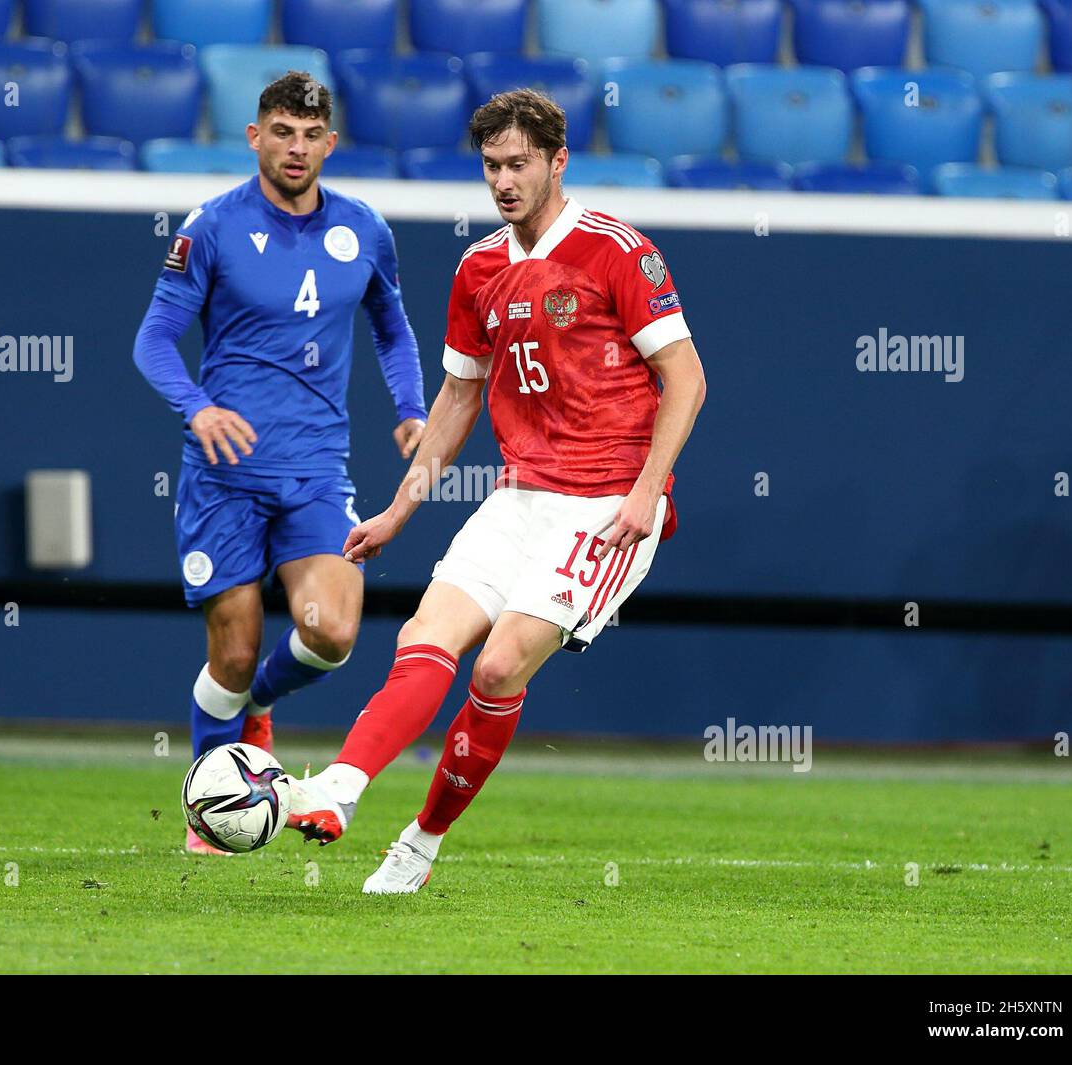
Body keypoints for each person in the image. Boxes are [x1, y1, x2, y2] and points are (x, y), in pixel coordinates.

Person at [285, 89, 708, 892]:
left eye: (519, 164)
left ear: (557, 160)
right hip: (519, 496)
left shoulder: (618, 251)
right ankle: (340, 787)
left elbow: (686, 380)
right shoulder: (477, 268)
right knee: (426, 636)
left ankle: (420, 840)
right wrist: (398, 509)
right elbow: (457, 397)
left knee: (496, 668)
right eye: (491, 166)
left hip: (609, 504)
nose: (505, 181)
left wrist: (648, 491)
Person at [132, 72, 428, 854]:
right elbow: (153, 339)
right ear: (255, 137)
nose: (296, 148)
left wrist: (411, 410)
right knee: (229, 649)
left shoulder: (364, 229)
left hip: (316, 469)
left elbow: (393, 332)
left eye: (311, 135)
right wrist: (198, 407)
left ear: (330, 143)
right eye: (281, 132)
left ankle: (257, 707)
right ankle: (210, 806)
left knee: (331, 633)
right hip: (223, 473)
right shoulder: (212, 227)